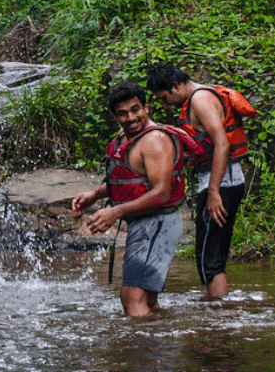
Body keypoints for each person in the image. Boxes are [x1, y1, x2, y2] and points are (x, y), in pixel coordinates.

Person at [72, 82, 189, 317]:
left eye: (136, 110)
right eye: (123, 114)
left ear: (146, 107)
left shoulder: (154, 141)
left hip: (158, 223)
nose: (131, 118)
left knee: (132, 300)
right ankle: (160, 346)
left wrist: (115, 212)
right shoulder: (124, 138)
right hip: (147, 225)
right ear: (115, 116)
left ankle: (141, 352)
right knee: (146, 300)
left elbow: (161, 193)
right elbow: (131, 180)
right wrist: (95, 194)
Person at [147, 63, 256, 299]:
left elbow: (222, 143)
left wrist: (214, 191)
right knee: (211, 255)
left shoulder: (200, 99)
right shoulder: (203, 95)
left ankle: (219, 319)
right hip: (223, 181)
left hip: (220, 183)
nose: (165, 104)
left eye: (164, 98)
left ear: (175, 87)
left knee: (210, 260)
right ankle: (219, 311)